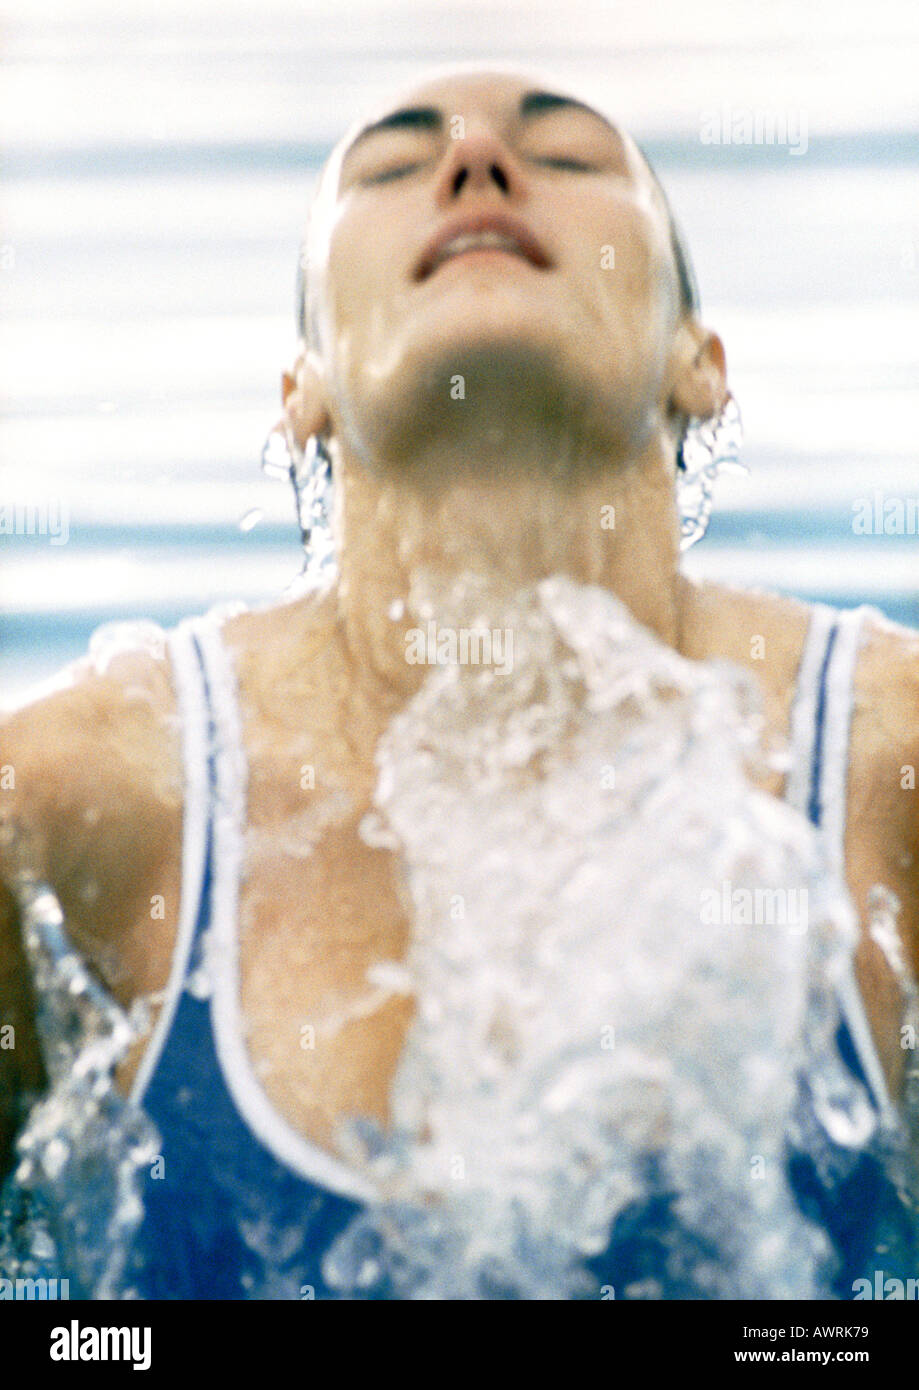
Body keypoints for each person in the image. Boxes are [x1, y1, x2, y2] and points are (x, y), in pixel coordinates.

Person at [1, 64, 918, 1299]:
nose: (474, 163)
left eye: (571, 155)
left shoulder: (887, 773)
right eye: (390, 166)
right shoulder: (75, 809)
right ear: (302, 393)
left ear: (699, 363)